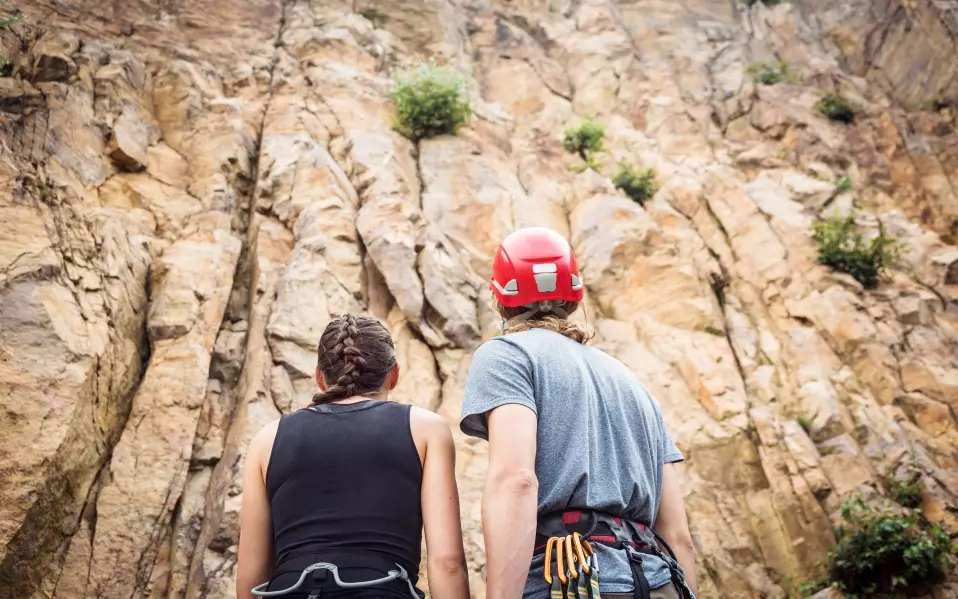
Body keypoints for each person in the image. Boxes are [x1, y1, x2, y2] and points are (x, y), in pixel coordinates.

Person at [459, 227, 698, 599]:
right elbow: (678, 535)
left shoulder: (507, 356)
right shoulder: (632, 383)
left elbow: (516, 480)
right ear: (575, 295)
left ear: (499, 297)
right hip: (657, 582)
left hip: (572, 581)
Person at [237, 313, 471, 599]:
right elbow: (447, 563)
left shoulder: (267, 439)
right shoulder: (425, 429)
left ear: (320, 378)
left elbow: (250, 579)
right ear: (394, 375)